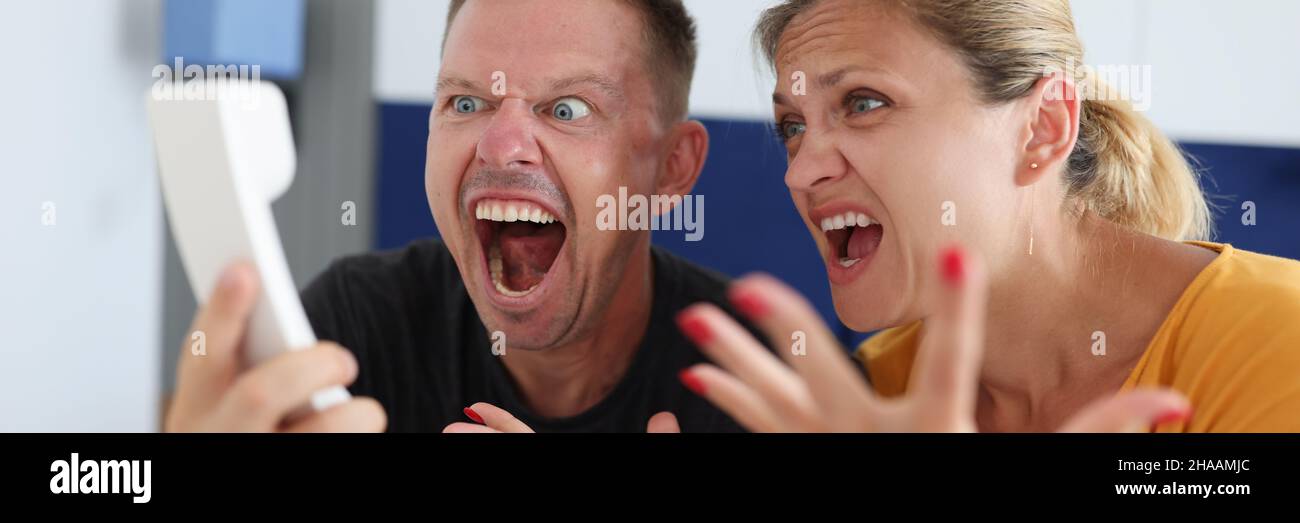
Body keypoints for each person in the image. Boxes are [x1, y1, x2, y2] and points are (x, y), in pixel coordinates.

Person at [674, 0, 1300, 432]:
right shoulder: (870, 395)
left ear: (1043, 129)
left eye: (863, 102)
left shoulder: (1277, 340)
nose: (799, 171)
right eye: (792, 126)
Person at [165, 0, 750, 433]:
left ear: (672, 168)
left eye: (568, 108)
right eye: (466, 103)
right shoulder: (358, 322)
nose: (500, 146)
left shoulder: (762, 388)